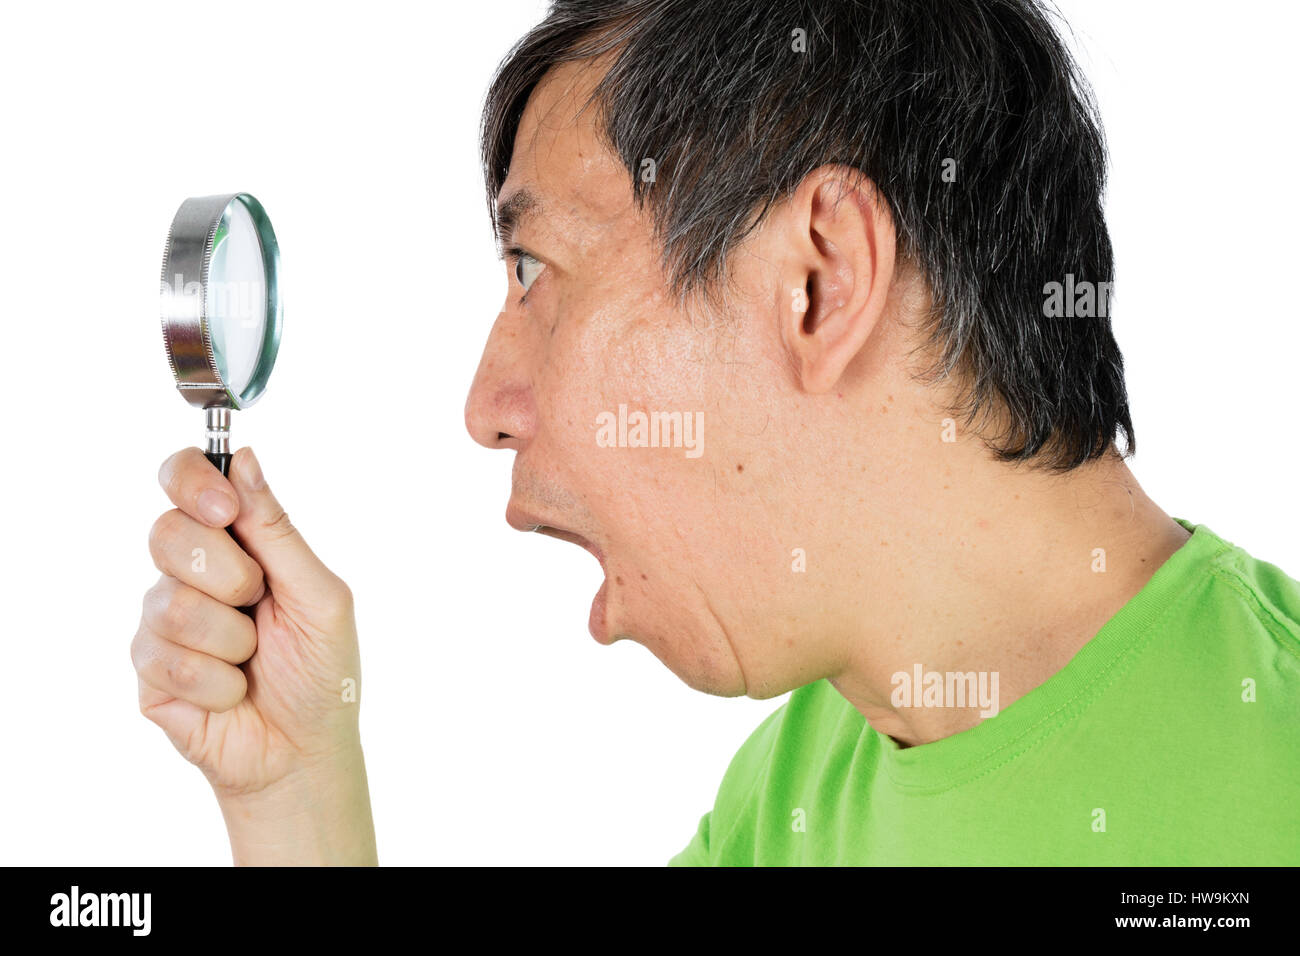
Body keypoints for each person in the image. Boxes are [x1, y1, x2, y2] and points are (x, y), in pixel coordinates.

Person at [133, 0, 1300, 865]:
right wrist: (294, 793)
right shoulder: (800, 785)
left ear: (818, 279)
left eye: (534, 267)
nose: (485, 405)